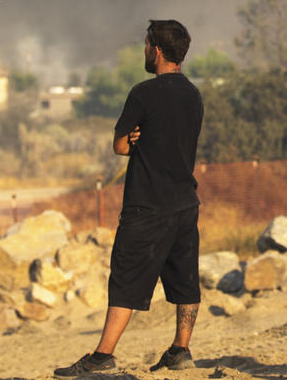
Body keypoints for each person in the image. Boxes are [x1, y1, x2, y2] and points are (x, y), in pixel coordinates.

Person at [56, 20, 206, 377]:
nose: (144, 51)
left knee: (125, 281)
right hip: (185, 203)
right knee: (185, 280)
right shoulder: (193, 95)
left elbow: (120, 145)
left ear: (156, 50)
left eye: (146, 45)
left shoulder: (143, 93)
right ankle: (180, 349)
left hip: (146, 206)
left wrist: (135, 139)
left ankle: (102, 356)